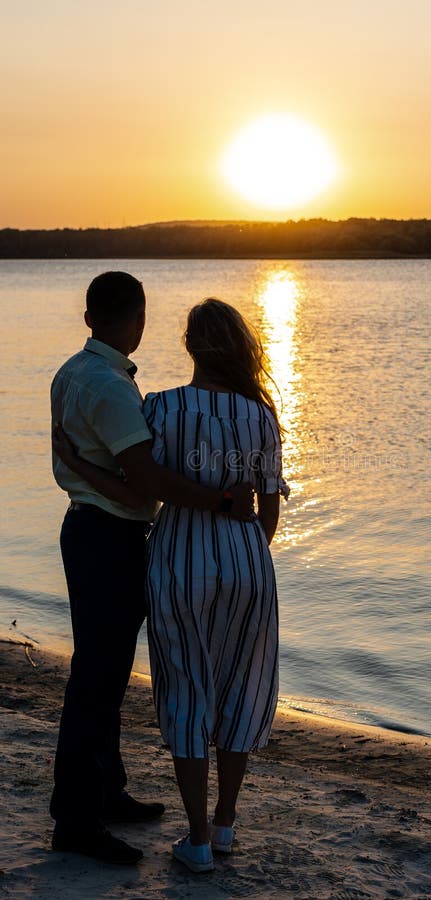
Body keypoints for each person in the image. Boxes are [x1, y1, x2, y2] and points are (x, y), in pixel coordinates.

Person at [50, 272, 254, 866]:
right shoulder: (111, 387)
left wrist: (87, 474)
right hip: (108, 539)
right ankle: (76, 821)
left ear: (90, 317)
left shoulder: (74, 372)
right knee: (96, 680)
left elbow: (87, 463)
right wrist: (220, 501)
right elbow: (145, 487)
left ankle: (107, 794)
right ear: (138, 319)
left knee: (105, 675)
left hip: (92, 530)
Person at [144, 299, 288, 873]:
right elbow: (270, 510)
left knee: (186, 692)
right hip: (249, 562)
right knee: (241, 691)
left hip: (180, 560)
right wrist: (247, 552)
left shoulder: (161, 407)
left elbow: (144, 487)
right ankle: (225, 825)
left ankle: (197, 837)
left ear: (189, 347)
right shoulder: (261, 414)